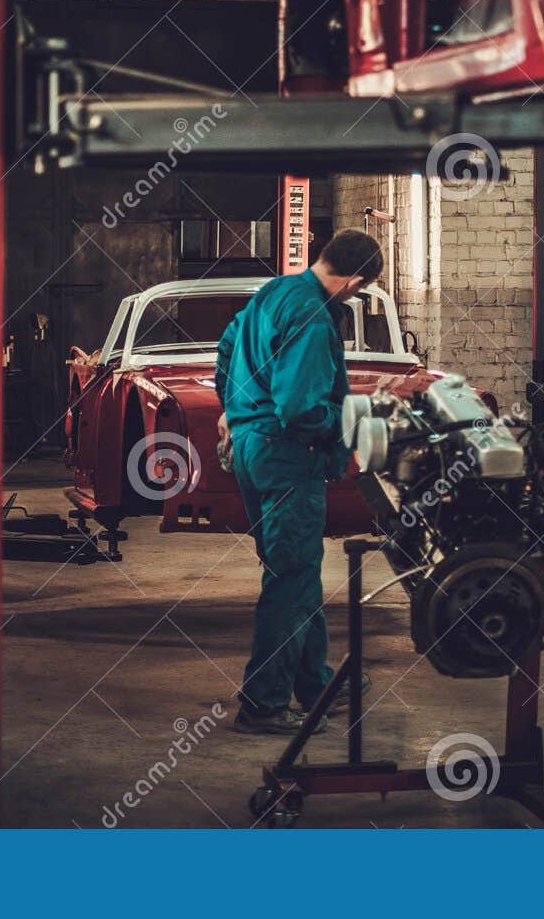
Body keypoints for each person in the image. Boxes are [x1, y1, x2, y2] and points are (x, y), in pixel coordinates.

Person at [215, 229, 383, 734]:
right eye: (359, 289)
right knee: (289, 580)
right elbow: (301, 408)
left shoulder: (277, 290)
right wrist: (363, 417)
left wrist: (231, 408)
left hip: (251, 447)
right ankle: (264, 704)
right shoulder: (311, 316)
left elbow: (227, 347)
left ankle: (316, 685)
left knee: (296, 572)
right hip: (286, 456)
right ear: (355, 281)